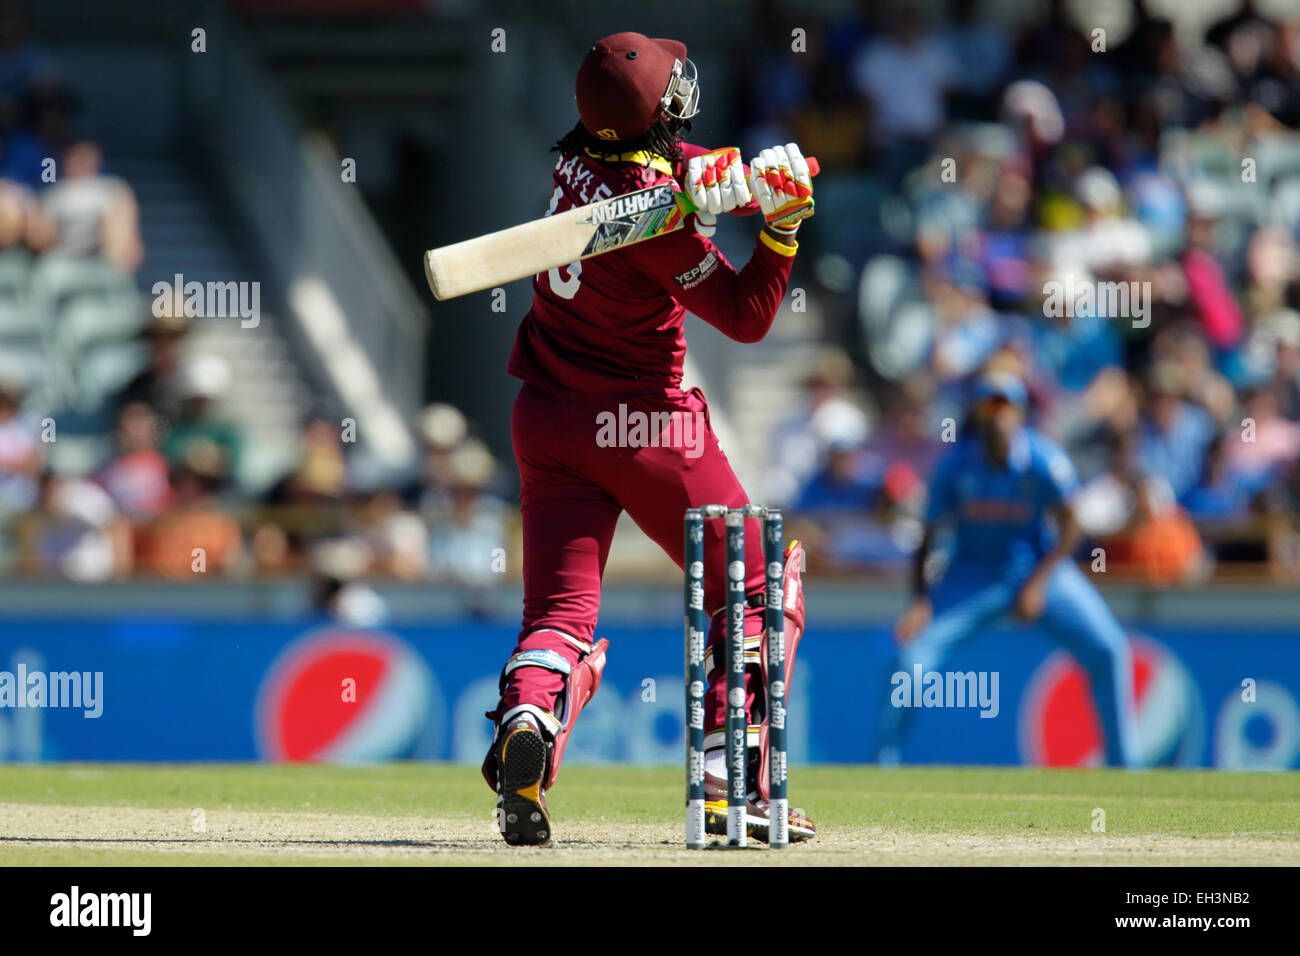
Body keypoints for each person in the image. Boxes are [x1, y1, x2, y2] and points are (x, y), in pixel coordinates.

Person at [482, 32, 815, 847]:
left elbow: (663, 169)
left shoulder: (574, 162)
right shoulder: (656, 228)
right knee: (762, 586)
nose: (680, 97)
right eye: (670, 92)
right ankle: (728, 790)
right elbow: (745, 317)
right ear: (651, 115)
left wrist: (732, 179)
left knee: (558, 617)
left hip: (547, 418)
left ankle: (529, 716)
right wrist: (780, 232)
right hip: (643, 426)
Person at [878, 372, 1138, 768]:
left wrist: (1037, 584)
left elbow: (1073, 526)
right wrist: (919, 601)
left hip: (1038, 569)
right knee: (908, 660)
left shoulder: (1043, 460)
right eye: (990, 404)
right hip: (971, 575)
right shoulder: (955, 467)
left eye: (1007, 405)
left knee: (1109, 648)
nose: (998, 414)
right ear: (978, 414)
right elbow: (927, 536)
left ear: (1020, 413)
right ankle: (883, 767)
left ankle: (1125, 769)